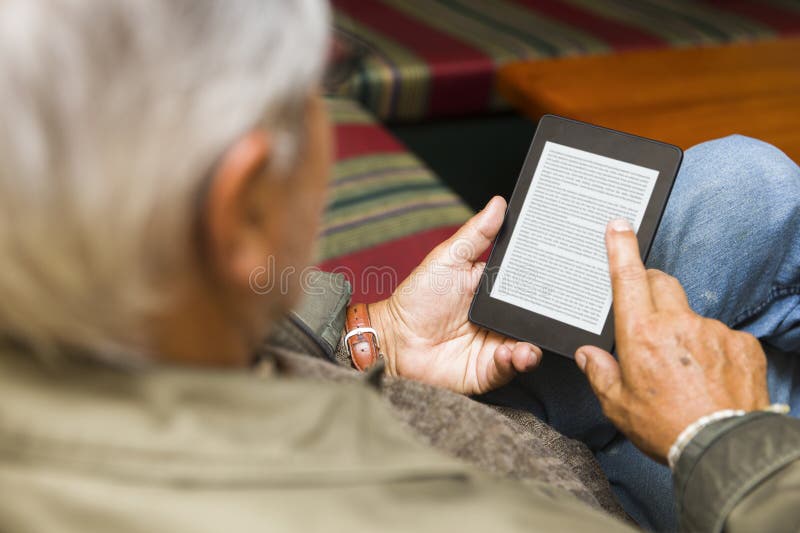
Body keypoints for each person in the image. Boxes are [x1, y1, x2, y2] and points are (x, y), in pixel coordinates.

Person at [0, 2, 798, 533]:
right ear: (242, 205)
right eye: (316, 92)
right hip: (631, 490)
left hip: (434, 399)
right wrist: (725, 439)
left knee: (739, 188)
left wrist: (370, 336)